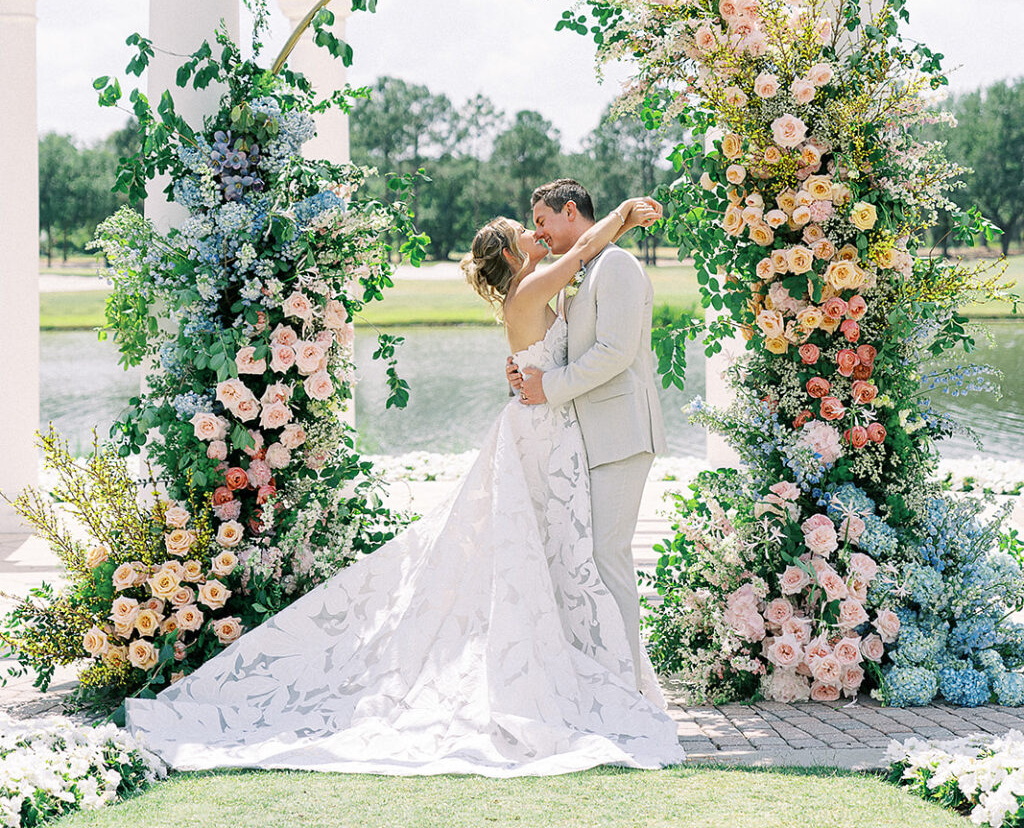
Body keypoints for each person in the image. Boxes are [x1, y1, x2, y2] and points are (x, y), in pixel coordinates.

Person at [125, 192, 684, 776]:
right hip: (545, 431)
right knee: (555, 555)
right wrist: (621, 214)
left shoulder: (536, 287)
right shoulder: (532, 287)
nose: (535, 233)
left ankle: (592, 672)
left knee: (561, 558)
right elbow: (586, 250)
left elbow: (575, 309)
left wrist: (534, 366)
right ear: (510, 255)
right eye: (527, 230)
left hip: (557, 429)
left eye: (538, 224)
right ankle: (585, 681)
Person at [508, 178, 668, 688]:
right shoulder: (587, 269)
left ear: (570, 211)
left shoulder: (616, 265)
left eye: (542, 221)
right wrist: (525, 373)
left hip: (620, 433)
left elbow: (616, 353)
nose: (541, 233)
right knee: (595, 559)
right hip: (588, 437)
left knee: (608, 557)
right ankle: (610, 678)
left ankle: (631, 686)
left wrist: (547, 386)